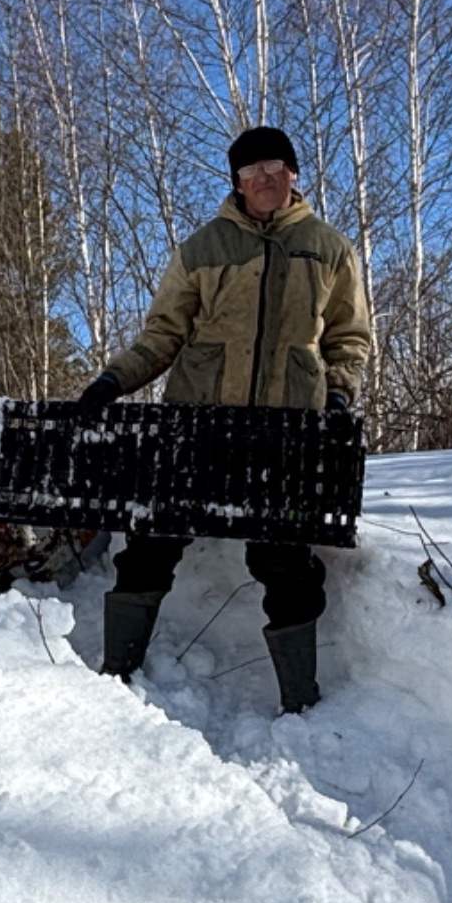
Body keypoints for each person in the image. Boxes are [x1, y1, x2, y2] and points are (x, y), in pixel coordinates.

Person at [76, 126, 371, 713]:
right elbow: (162, 335)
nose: (263, 177)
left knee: (285, 563)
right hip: (197, 426)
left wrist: (338, 397)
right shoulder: (202, 248)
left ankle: (300, 702)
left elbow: (349, 340)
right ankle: (115, 677)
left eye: (274, 166)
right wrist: (112, 381)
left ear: (293, 174)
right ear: (236, 181)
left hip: (287, 434)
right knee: (150, 544)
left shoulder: (329, 249)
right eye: (250, 169)